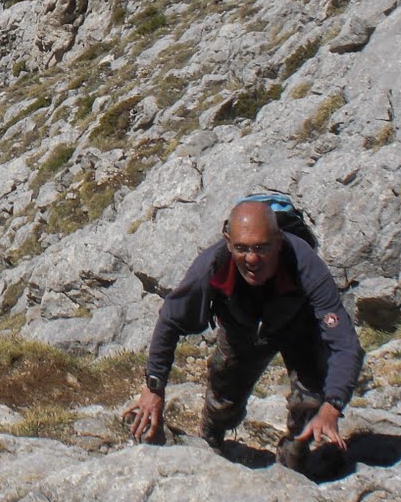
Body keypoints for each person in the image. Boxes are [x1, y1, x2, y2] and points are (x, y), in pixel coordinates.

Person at [123, 198, 363, 469]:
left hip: (300, 329)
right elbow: (170, 319)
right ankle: (211, 440)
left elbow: (346, 344)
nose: (251, 259)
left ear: (279, 240)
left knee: (311, 403)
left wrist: (332, 406)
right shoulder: (212, 266)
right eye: (242, 248)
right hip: (241, 329)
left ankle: (292, 461)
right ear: (228, 242)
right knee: (223, 402)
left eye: (261, 248)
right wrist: (154, 388)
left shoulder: (305, 265)